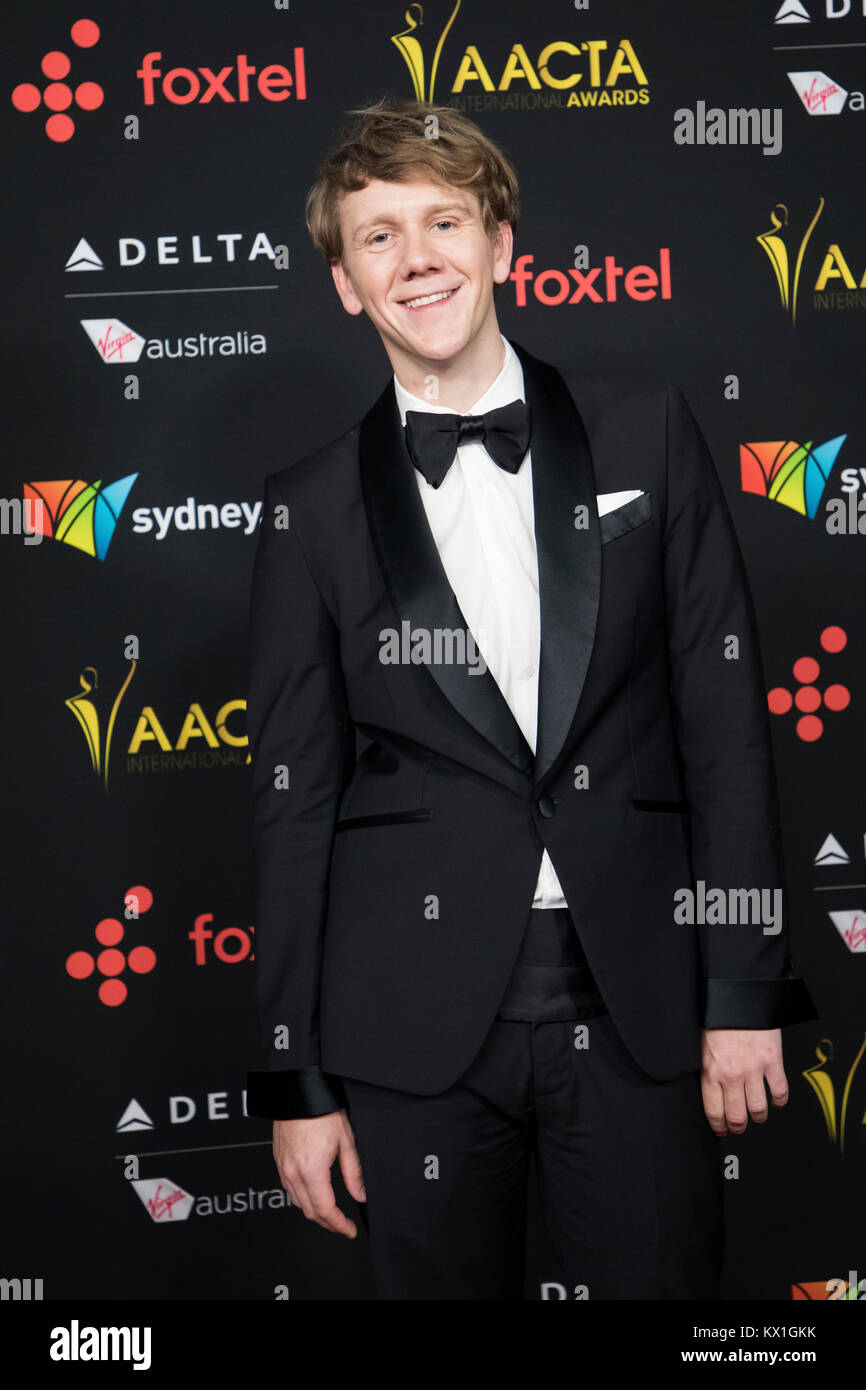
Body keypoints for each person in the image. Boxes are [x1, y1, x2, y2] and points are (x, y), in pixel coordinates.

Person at [245, 95, 817, 1300]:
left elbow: (722, 731)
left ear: (501, 243)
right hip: (406, 1028)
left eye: (442, 222)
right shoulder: (306, 505)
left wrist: (744, 988)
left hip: (637, 1001)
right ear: (345, 283)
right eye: (378, 237)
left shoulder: (646, 434)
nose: (417, 260)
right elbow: (292, 802)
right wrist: (294, 1078)